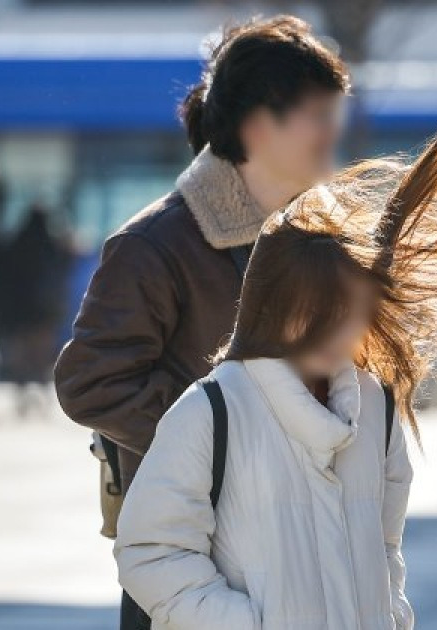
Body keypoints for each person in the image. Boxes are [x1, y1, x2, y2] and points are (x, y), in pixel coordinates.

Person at [113, 42, 437, 630]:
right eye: (334, 313)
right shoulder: (210, 411)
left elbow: (387, 548)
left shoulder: (374, 406)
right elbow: (149, 552)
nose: (352, 331)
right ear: (283, 309)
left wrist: (389, 615)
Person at [52, 16, 349, 629]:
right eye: (319, 114)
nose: (333, 132)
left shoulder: (321, 241)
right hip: (192, 565)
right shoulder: (155, 245)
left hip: (306, 553)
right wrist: (216, 444)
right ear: (260, 126)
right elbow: (89, 382)